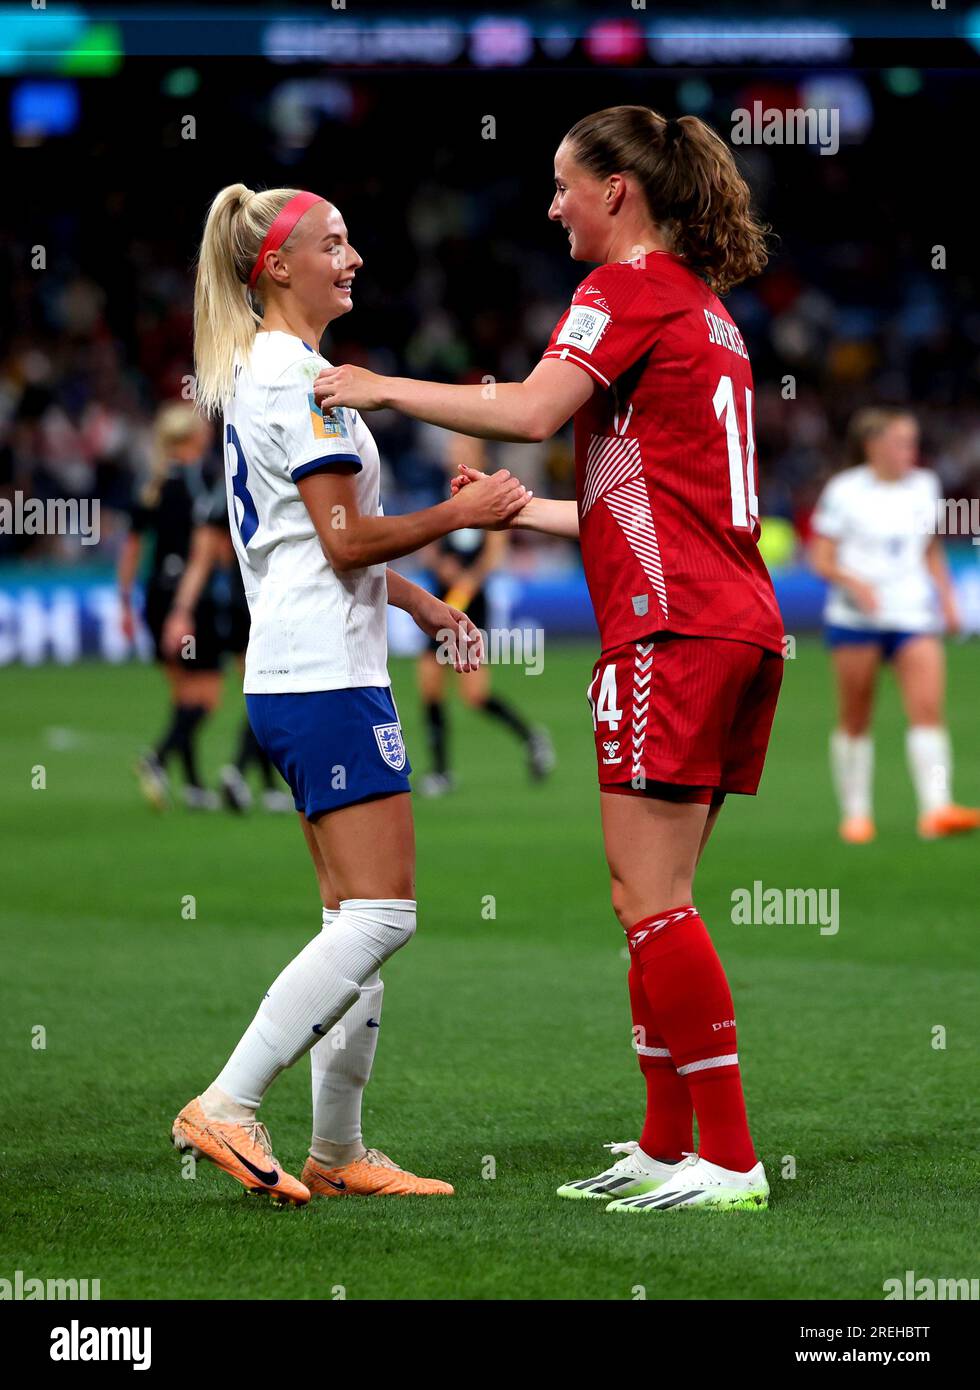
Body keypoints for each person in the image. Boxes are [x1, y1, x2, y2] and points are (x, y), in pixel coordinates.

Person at [315, 107, 783, 1212]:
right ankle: (666, 1141)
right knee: (648, 893)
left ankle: (728, 1156)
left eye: (563, 184)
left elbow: (528, 409)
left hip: (672, 630)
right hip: (732, 618)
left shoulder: (621, 290)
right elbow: (656, 501)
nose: (551, 204)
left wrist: (380, 386)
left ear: (616, 190)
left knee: (648, 895)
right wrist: (522, 513)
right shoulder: (708, 314)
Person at [171, 183, 530, 1205]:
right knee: (381, 914)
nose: (355, 256)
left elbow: (312, 542)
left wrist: (417, 601)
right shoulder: (300, 378)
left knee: (348, 916)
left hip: (299, 668)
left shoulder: (260, 370)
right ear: (275, 267)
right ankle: (230, 1102)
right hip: (325, 675)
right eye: (333, 243)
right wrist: (471, 513)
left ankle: (338, 1149)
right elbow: (341, 541)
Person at [809, 407, 979, 842]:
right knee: (856, 715)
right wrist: (854, 583)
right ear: (873, 446)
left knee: (927, 711)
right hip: (855, 618)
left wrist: (947, 599)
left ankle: (937, 808)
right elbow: (821, 558)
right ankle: (856, 814)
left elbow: (930, 548)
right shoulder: (844, 491)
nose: (911, 451)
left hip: (912, 614)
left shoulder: (925, 485)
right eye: (901, 442)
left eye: (912, 442)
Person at [418, 436, 554, 795]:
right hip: (439, 601)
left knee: (474, 695)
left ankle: (531, 737)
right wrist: (438, 564)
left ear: (476, 455)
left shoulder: (488, 495)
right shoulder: (441, 491)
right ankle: (441, 772)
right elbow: (425, 543)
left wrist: (468, 579)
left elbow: (494, 553)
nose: (452, 453)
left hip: (469, 604)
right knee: (429, 684)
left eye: (460, 449)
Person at [161, 479, 293, 813]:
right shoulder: (266, 480)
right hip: (260, 598)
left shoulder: (220, 491)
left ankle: (267, 785)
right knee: (271, 690)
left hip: (238, 599)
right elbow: (208, 555)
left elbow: (211, 552)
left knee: (263, 687)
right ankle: (236, 771)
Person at [118, 402, 221, 811]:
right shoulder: (204, 483)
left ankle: (194, 786)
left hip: (154, 597)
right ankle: (156, 759)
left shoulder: (152, 485)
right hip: (189, 600)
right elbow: (202, 556)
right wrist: (184, 610)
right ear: (194, 438)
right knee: (208, 694)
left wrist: (126, 603)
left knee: (182, 694)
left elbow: (130, 550)